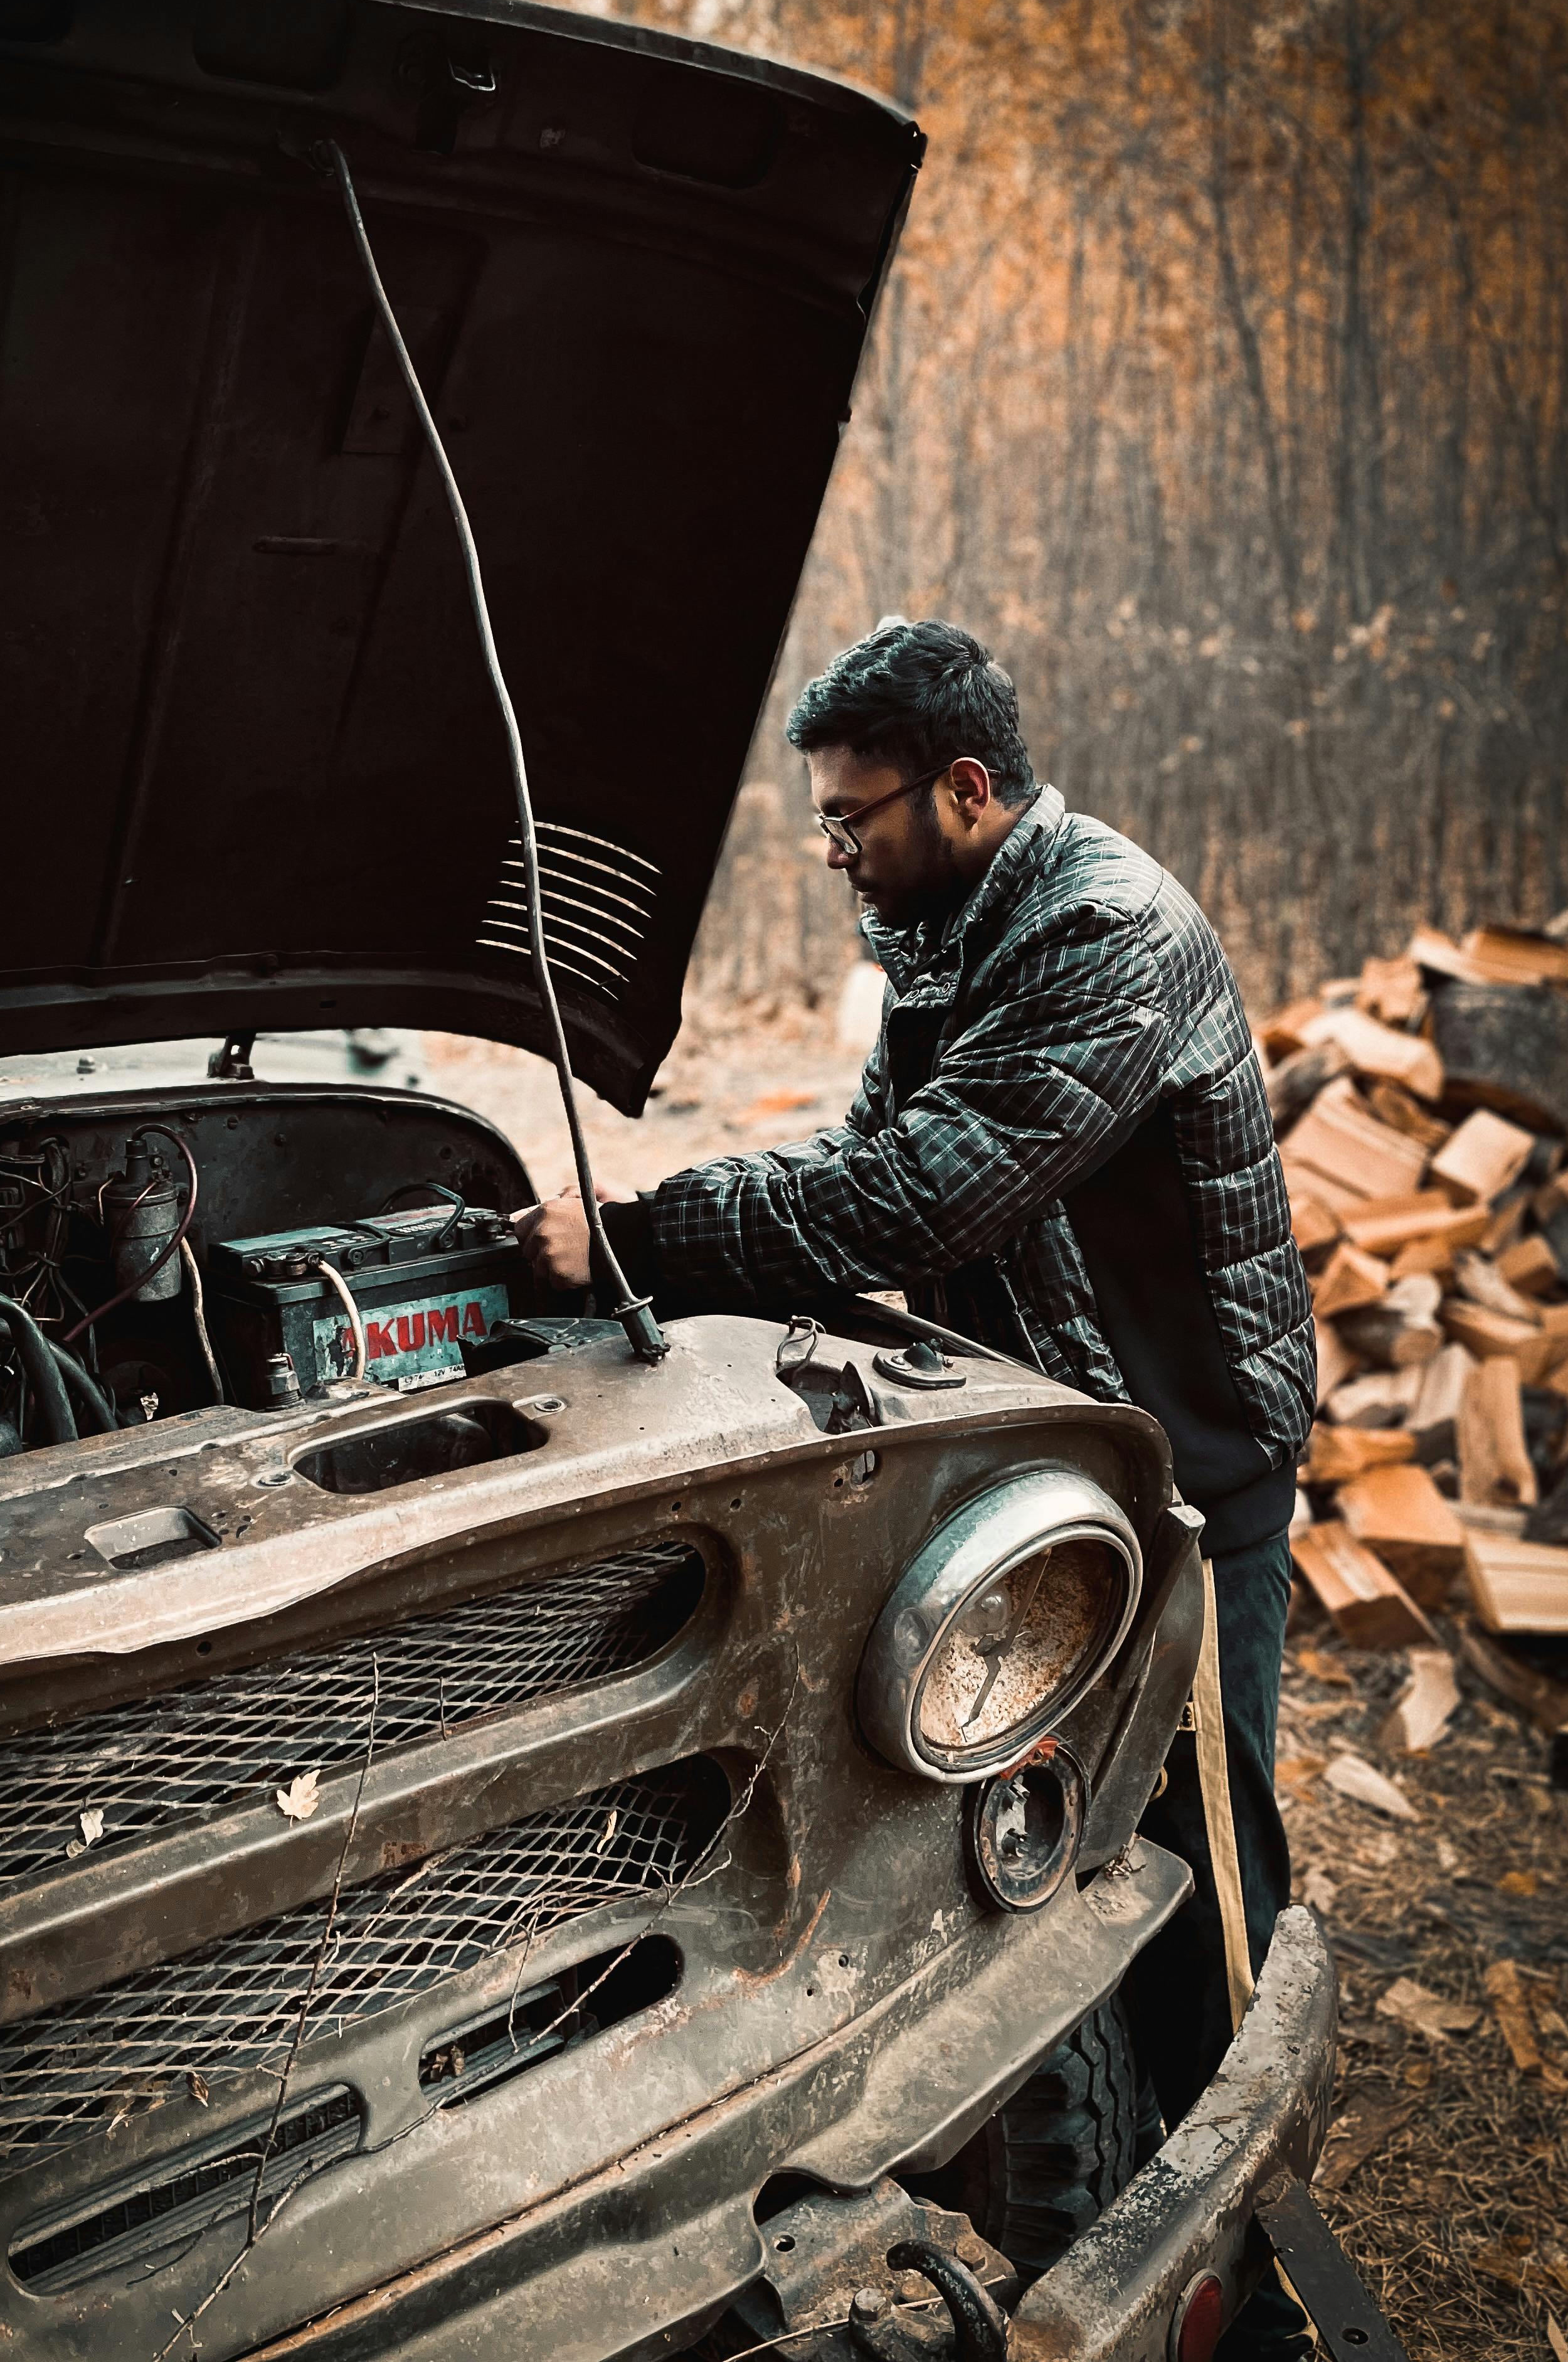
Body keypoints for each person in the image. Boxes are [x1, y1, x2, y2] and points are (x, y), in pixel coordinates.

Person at [516, 617, 1317, 2359]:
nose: (833, 848)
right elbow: (867, 1150)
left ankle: (1227, 2243)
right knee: (1046, 1822)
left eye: (856, 814)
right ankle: (1071, 2130)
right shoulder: (950, 925)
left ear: (966, 788)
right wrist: (678, 1219)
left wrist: (646, 1233)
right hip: (1056, 1437)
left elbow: (919, 1204)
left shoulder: (1103, 934)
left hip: (1190, 1457)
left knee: (1198, 1841)